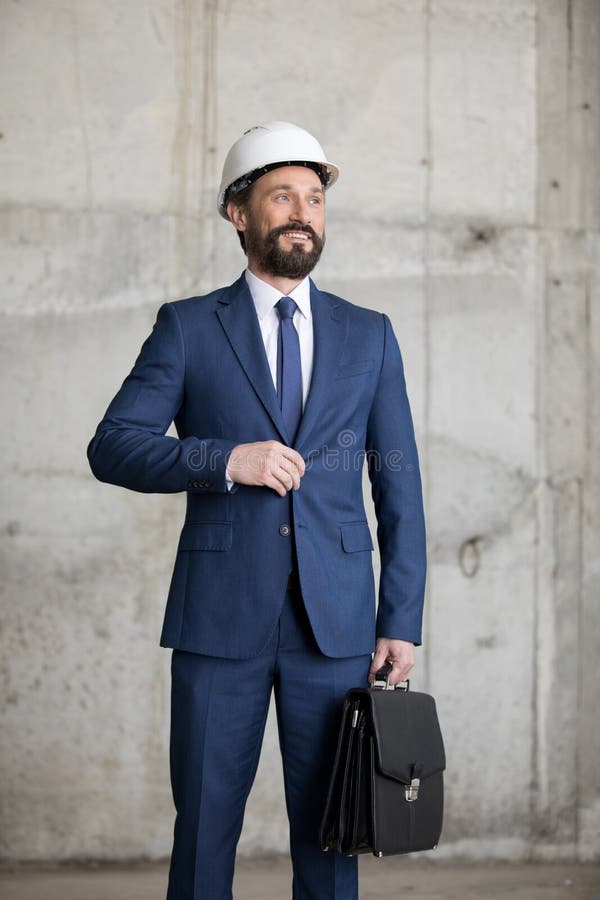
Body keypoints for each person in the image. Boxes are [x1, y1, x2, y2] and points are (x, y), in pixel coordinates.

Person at [88, 121, 426, 900]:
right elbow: (113, 446)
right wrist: (221, 460)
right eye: (283, 196)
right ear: (239, 214)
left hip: (335, 627)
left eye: (315, 197)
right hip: (219, 619)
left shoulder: (369, 336)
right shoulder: (187, 326)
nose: (304, 212)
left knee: (332, 835)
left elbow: (398, 485)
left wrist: (399, 615)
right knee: (205, 829)